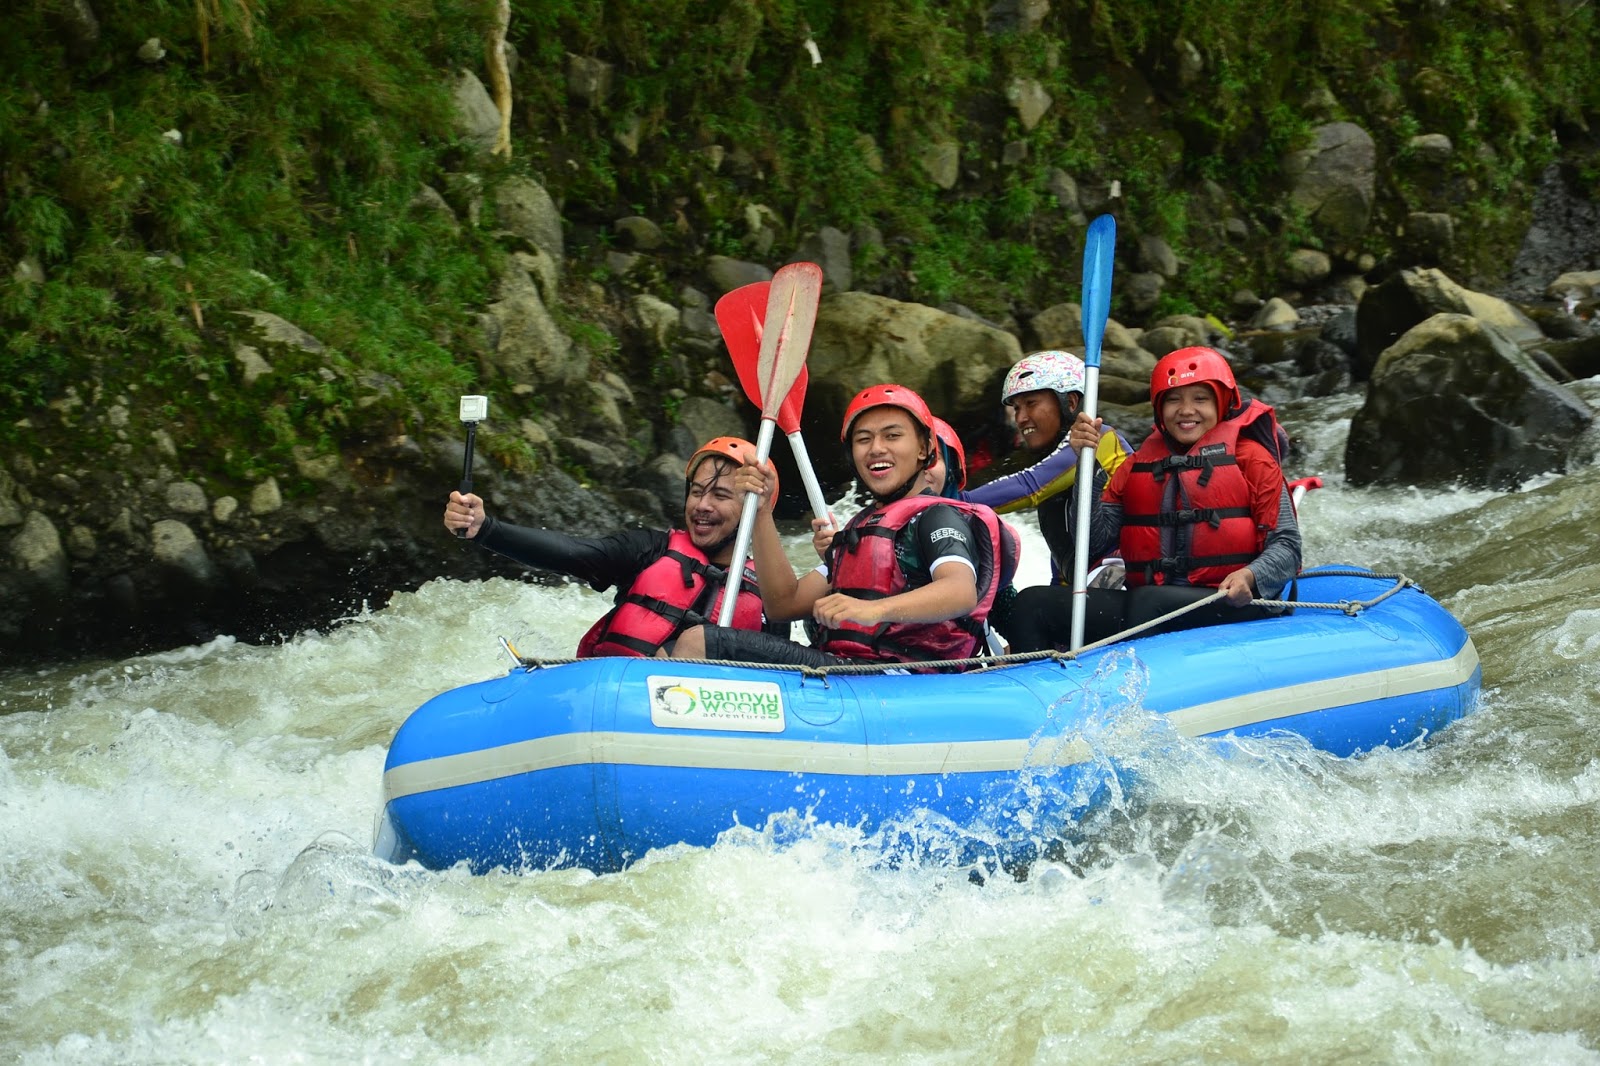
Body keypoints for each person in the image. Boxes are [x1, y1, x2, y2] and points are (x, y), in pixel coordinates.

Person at [671, 385, 1009, 670]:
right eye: (864, 439)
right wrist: (761, 512)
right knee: (687, 642)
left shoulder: (937, 517)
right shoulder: (862, 529)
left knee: (700, 642)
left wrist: (872, 609)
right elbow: (783, 604)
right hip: (848, 670)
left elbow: (959, 591)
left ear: (924, 449)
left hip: (903, 679)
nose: (876, 447)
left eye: (892, 435)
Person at [1005, 346, 1304, 652]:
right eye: (1174, 400)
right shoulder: (1138, 467)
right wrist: (1086, 464)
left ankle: (1131, 689)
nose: (1186, 410)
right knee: (1031, 603)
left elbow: (1287, 546)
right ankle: (1034, 687)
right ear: (1160, 409)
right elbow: (1094, 543)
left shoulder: (1252, 459)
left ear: (1222, 403)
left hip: (1230, 601)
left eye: (1200, 398)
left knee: (1149, 600)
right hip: (1150, 606)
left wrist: (1251, 576)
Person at [443, 437, 786, 657]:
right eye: (696, 492)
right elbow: (575, 555)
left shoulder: (771, 593)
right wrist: (486, 528)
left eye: (720, 496)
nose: (702, 506)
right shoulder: (650, 549)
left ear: (754, 511)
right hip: (621, 699)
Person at [962, 351, 1132, 585]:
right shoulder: (1056, 465)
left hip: (1126, 578)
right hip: (1088, 581)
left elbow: (1030, 486)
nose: (1020, 418)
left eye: (1030, 404)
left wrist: (950, 502)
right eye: (1017, 408)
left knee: (1031, 605)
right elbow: (1062, 553)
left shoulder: (1097, 438)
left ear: (1070, 402)